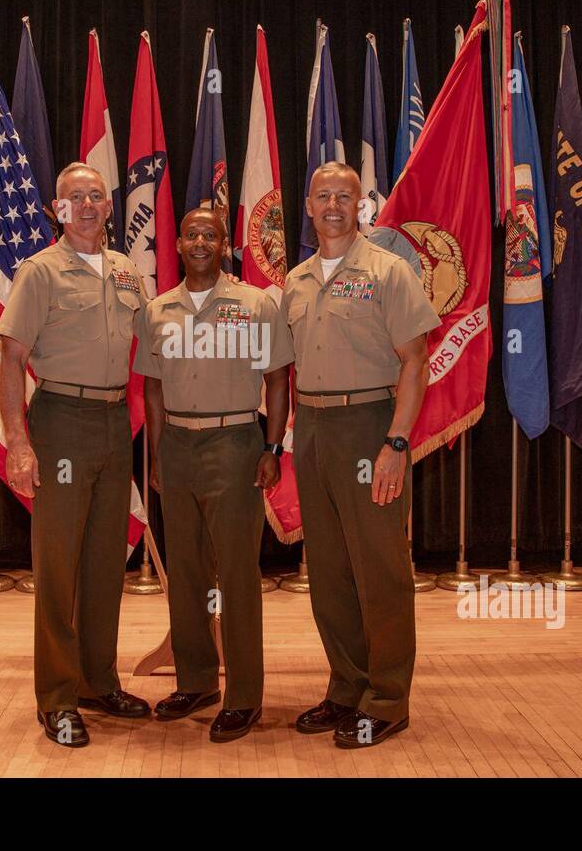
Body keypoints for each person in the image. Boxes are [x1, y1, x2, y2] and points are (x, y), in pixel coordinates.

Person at [281, 162, 439, 749]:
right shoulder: (296, 280)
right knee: (328, 571)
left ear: (360, 206)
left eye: (344, 197)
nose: (332, 206)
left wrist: (396, 442)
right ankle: (346, 686)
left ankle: (388, 698)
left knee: (380, 569)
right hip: (314, 429)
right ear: (309, 205)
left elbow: (415, 360)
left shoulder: (389, 271)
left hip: (370, 424)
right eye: (322, 195)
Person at [0, 163, 151, 748]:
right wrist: (18, 439)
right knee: (59, 566)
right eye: (74, 197)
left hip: (115, 422)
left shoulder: (126, 271)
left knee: (107, 560)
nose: (87, 205)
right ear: (57, 210)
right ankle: (58, 698)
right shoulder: (39, 273)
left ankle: (98, 680)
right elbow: (10, 360)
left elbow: (159, 340)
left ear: (110, 207)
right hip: (61, 419)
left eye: (96, 196)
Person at [134, 207, 291, 742]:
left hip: (235, 441)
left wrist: (272, 445)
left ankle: (244, 694)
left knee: (237, 574)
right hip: (176, 444)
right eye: (192, 234)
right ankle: (196, 679)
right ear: (178, 243)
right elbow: (152, 389)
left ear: (226, 245)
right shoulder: (157, 310)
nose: (201, 241)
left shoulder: (256, 304)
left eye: (212, 235)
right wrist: (156, 455)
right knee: (187, 570)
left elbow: (276, 379)